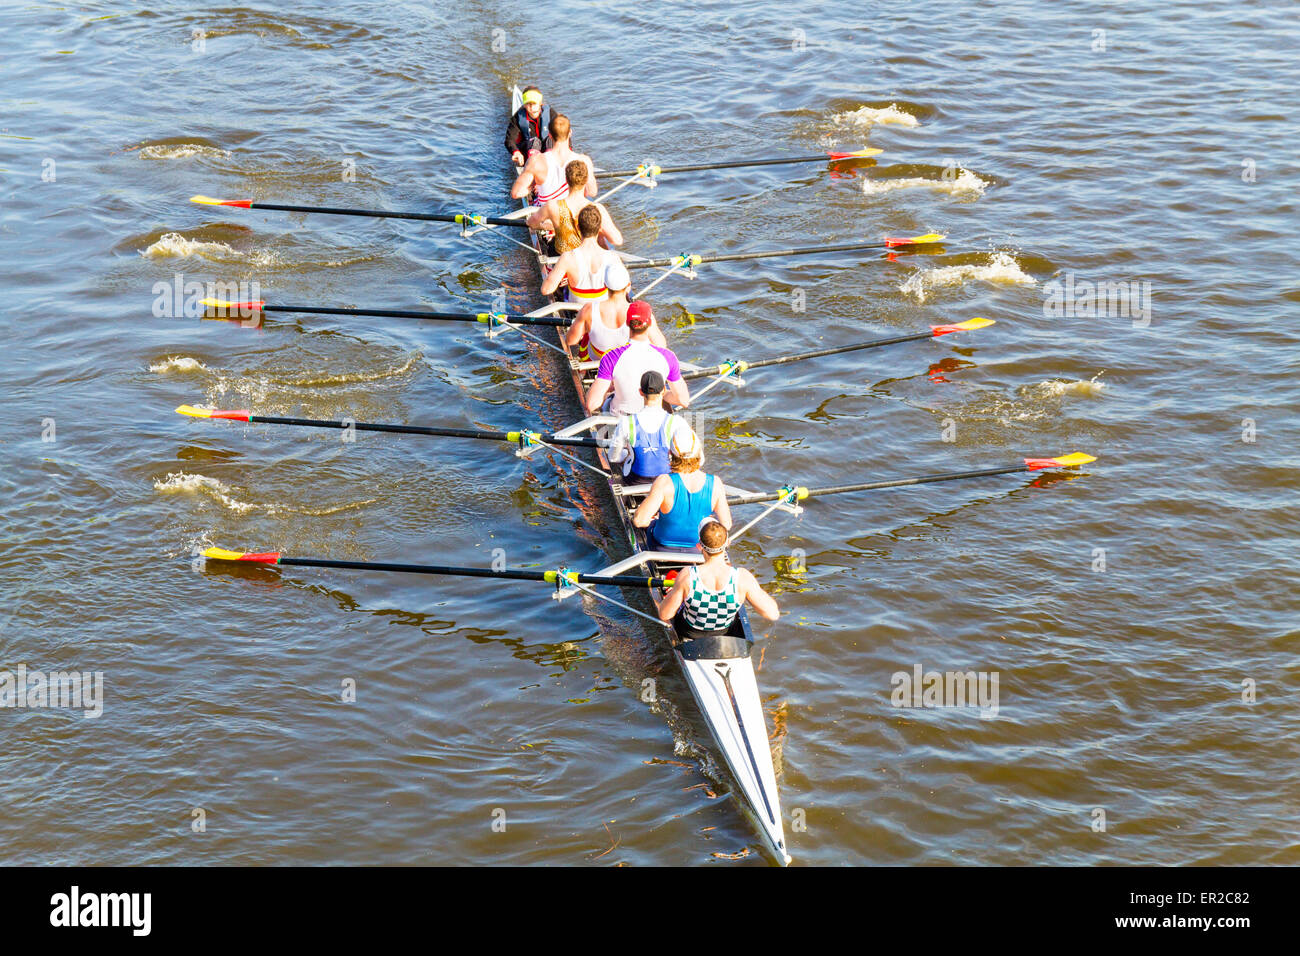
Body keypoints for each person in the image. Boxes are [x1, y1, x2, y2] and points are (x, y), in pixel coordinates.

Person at [657, 520, 780, 634]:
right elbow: (773, 614)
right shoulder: (742, 577)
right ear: (727, 542)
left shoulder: (687, 575)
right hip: (724, 632)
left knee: (658, 602)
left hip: (689, 631)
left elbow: (664, 614)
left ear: (699, 546)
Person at [633, 428, 729, 552]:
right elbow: (726, 524)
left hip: (662, 548)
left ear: (670, 454)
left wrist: (654, 520)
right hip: (698, 549)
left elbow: (639, 521)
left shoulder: (664, 482)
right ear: (699, 453)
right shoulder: (715, 483)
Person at [585, 300, 689, 414]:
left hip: (620, 420)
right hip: (651, 419)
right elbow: (683, 400)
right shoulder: (668, 356)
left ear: (627, 323)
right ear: (650, 324)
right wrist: (660, 393)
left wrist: (606, 394)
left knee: (606, 397)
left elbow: (591, 404)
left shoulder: (611, 357)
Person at [565, 257, 665, 362]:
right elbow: (661, 346)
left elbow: (571, 340)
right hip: (626, 363)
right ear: (628, 286)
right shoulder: (640, 312)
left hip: (597, 360)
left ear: (604, 285)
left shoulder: (589, 309)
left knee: (586, 337)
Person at [607, 371, 691, 484]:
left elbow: (613, 458)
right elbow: (688, 456)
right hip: (667, 481)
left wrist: (626, 455)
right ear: (664, 391)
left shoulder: (626, 422)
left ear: (641, 392)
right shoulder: (677, 422)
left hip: (636, 480)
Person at [527, 160, 621, 252]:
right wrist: (599, 230)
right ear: (586, 180)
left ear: (566, 180)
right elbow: (617, 240)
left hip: (563, 259)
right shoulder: (597, 209)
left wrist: (551, 226)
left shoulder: (552, 206)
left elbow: (531, 224)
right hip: (587, 259)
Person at [511, 113, 596, 206]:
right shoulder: (584, 161)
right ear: (570, 132)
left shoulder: (536, 161)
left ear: (550, 135)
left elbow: (516, 193)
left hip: (545, 214)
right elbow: (592, 192)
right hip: (571, 212)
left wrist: (533, 185)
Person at [542, 205, 618, 302]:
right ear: (599, 228)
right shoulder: (612, 257)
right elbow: (626, 289)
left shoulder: (567, 257)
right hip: (602, 311)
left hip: (577, 311)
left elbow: (546, 290)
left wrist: (548, 273)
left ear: (578, 227)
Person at [505, 87, 552, 166]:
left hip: (546, 147)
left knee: (550, 140)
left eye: (534, 103)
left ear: (540, 103)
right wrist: (516, 152)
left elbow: (563, 133)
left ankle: (551, 164)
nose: (531, 106)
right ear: (524, 105)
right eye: (528, 103)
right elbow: (509, 140)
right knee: (534, 142)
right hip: (528, 148)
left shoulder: (550, 113)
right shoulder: (517, 118)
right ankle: (533, 167)